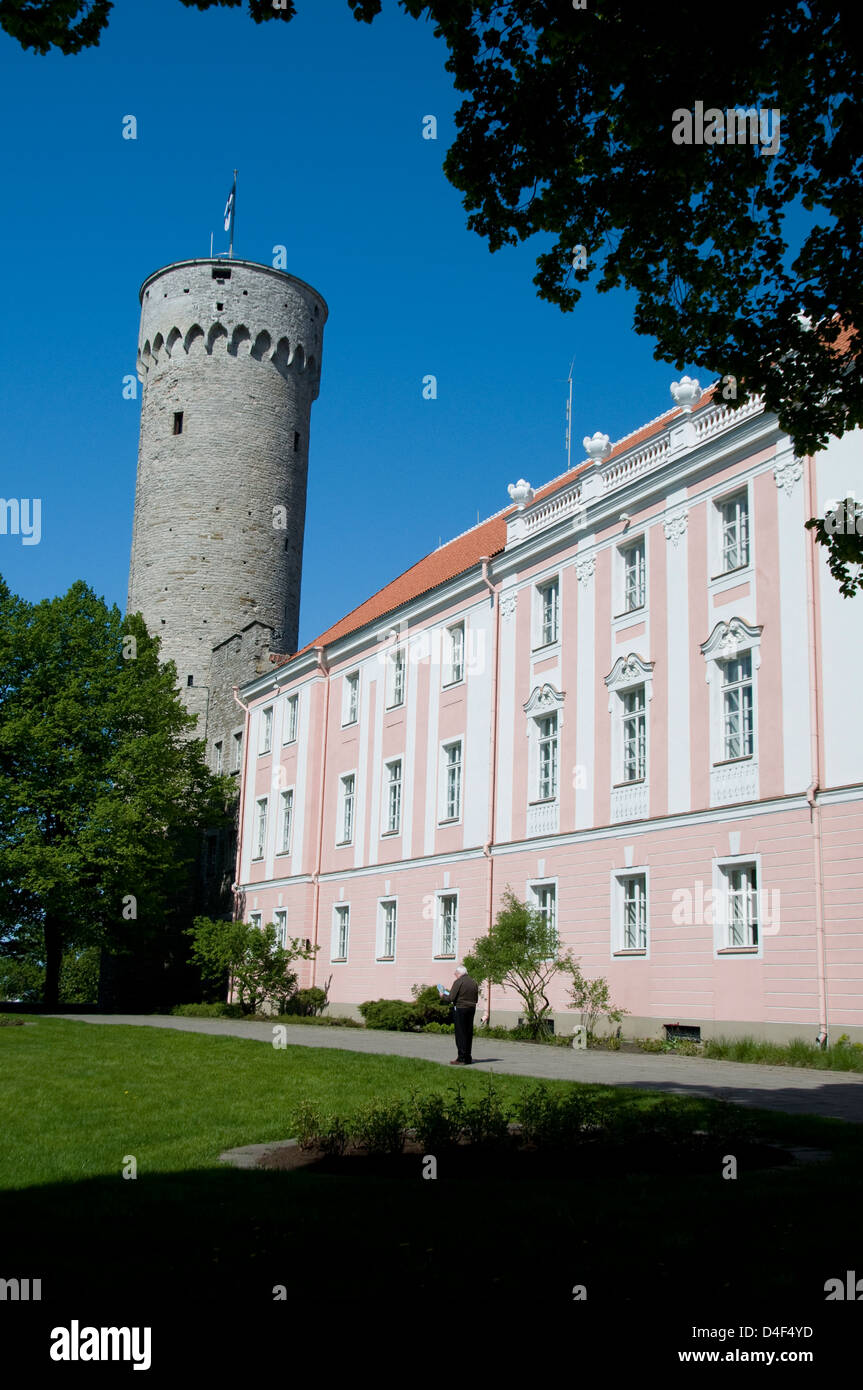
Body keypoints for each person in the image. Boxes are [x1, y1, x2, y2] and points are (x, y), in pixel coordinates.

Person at [443, 965, 479, 1065]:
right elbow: (476, 999)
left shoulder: (458, 982)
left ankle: (461, 1058)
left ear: (459, 973)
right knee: (468, 1033)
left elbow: (451, 998)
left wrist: (442, 996)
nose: (455, 976)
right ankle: (468, 1057)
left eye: (456, 974)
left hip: (460, 1008)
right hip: (471, 1008)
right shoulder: (473, 982)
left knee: (460, 1033)